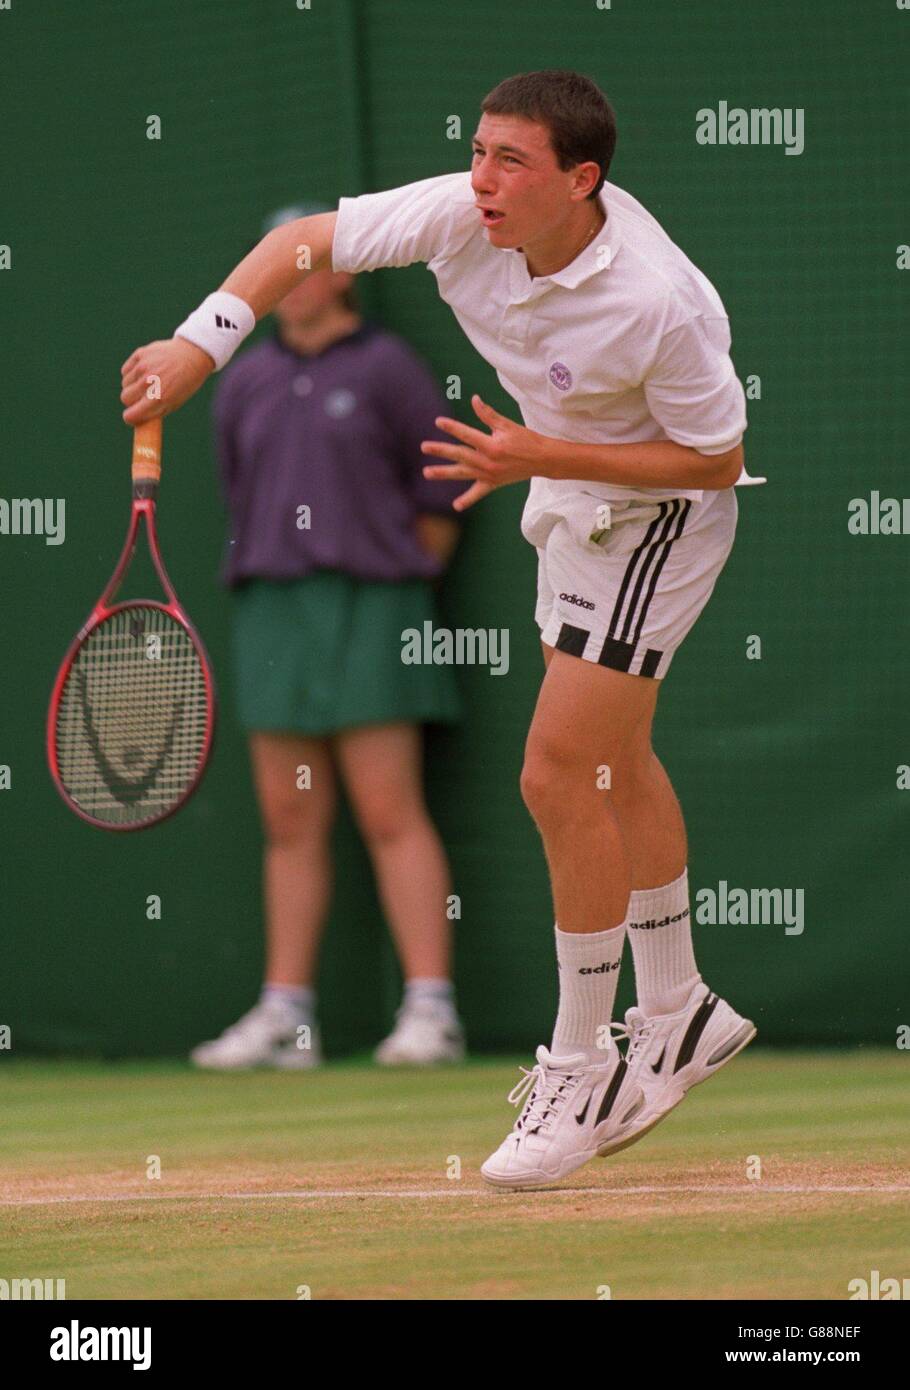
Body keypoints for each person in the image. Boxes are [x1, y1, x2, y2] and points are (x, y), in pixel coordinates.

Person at [121, 69, 764, 1188]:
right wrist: (198, 346)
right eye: (477, 152)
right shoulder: (458, 213)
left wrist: (535, 454)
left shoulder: (654, 299)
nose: (483, 179)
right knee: (614, 758)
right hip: (566, 496)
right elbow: (299, 248)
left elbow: (715, 460)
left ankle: (582, 1066)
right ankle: (678, 1008)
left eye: (510, 162)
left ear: (582, 179)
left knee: (559, 772)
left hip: (661, 514)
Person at [189, 203, 468, 1071]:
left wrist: (386, 573)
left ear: (343, 270)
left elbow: (441, 497)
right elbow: (241, 494)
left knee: (390, 809)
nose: (292, 277)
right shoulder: (241, 381)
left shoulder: (389, 368)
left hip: (374, 606)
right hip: (272, 610)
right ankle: (289, 1019)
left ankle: (431, 1011)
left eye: (306, 259)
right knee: (289, 816)